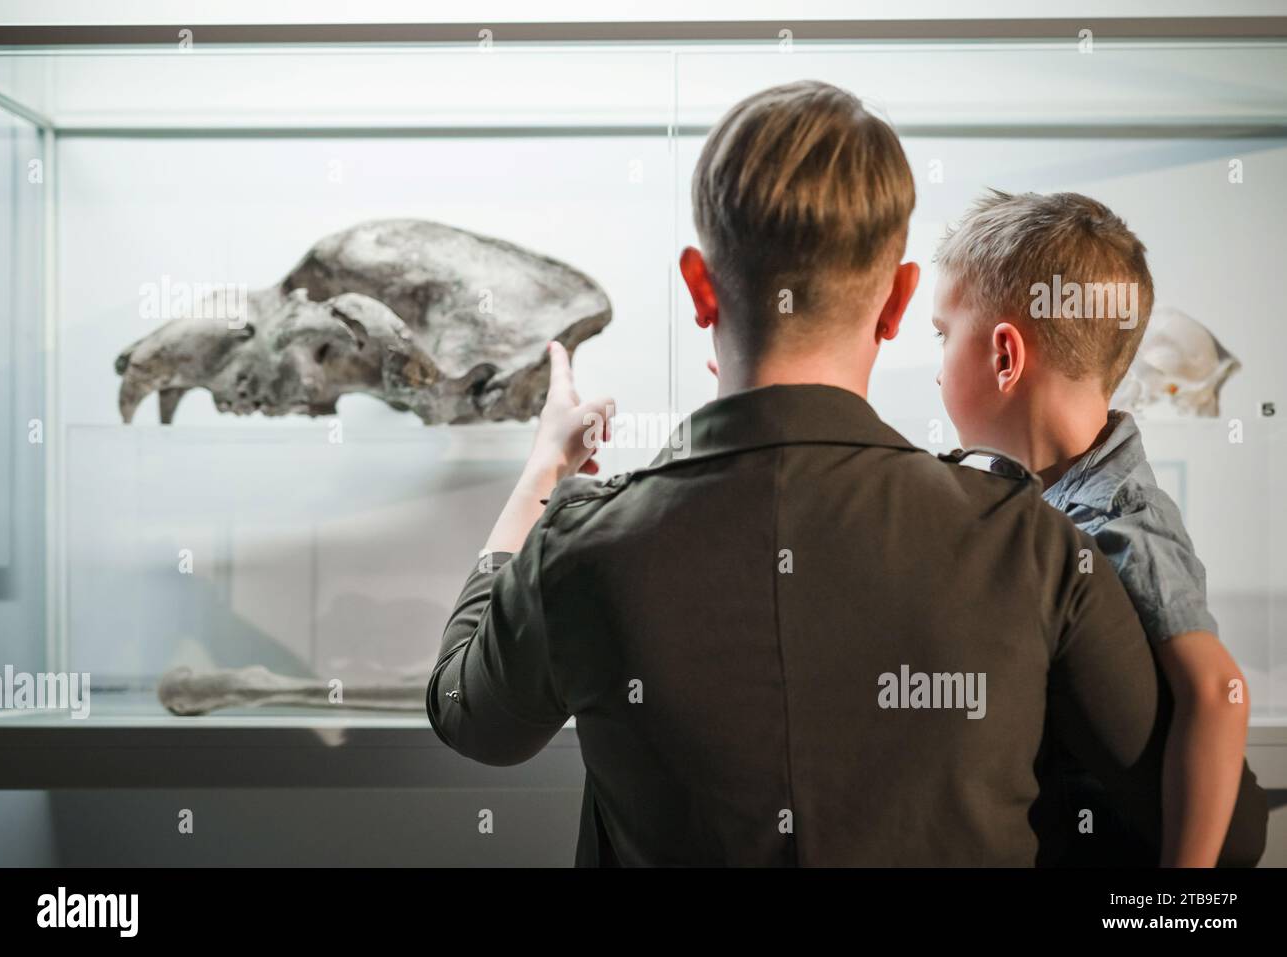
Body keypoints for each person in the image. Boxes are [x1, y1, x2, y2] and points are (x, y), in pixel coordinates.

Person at [426, 80, 1263, 865]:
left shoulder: (582, 541)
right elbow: (1229, 831)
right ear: (899, 302)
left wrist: (546, 465)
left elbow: (468, 717)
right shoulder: (1037, 543)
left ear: (699, 288)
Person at [931, 189, 1265, 866]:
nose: (936, 367)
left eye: (942, 336)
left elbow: (1218, 692)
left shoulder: (1114, 518)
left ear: (1004, 356)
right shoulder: (1045, 503)